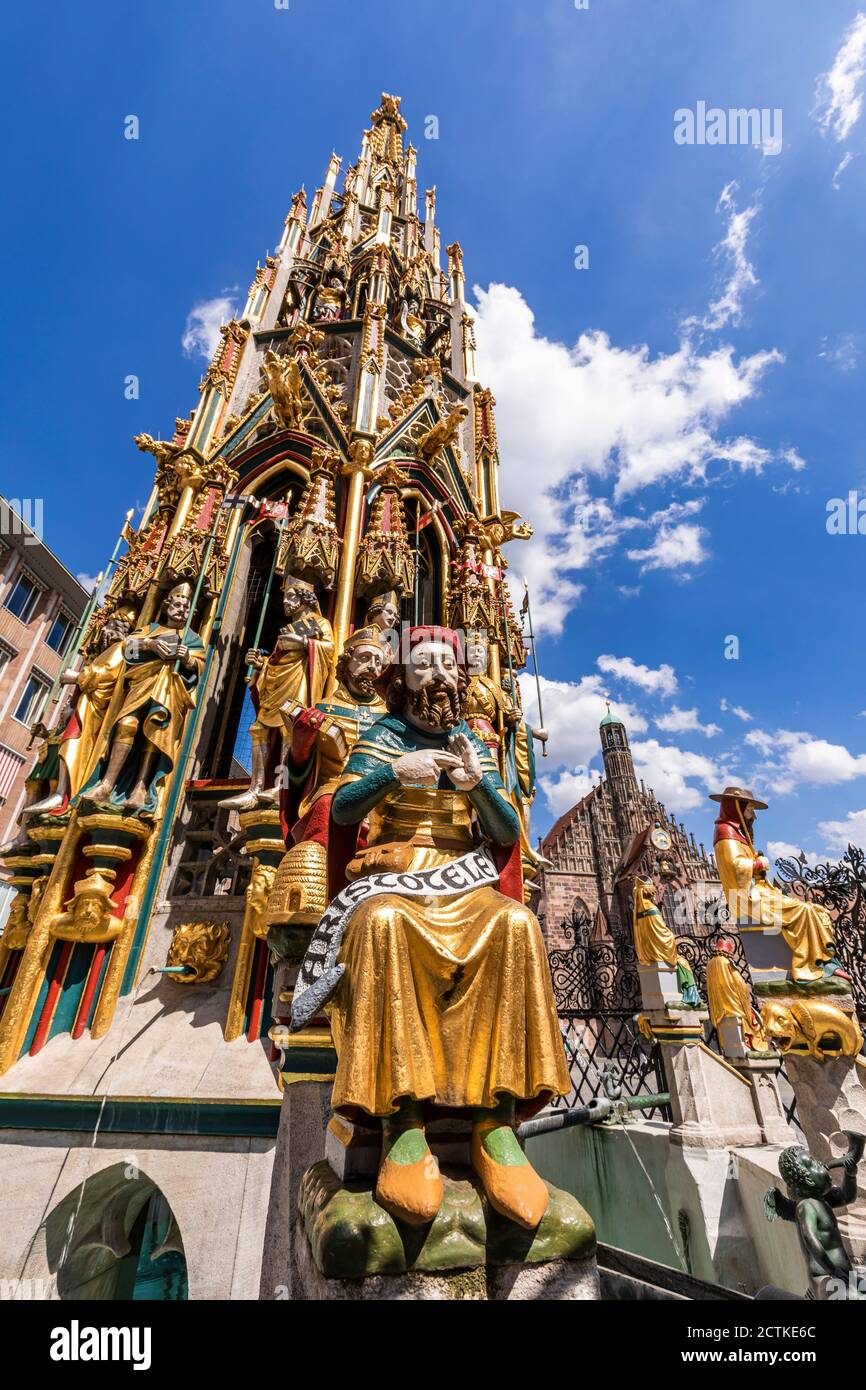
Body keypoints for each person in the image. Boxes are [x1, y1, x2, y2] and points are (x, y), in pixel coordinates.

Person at [324, 626, 570, 1230]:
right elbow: (341, 809)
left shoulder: (470, 744)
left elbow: (507, 832)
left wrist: (478, 785)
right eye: (425, 665)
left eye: (447, 666)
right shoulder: (383, 735)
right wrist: (392, 773)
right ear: (402, 679)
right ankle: (402, 1125)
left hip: (462, 880)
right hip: (394, 876)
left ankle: (495, 1125)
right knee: (383, 925)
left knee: (515, 926)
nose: (439, 675)